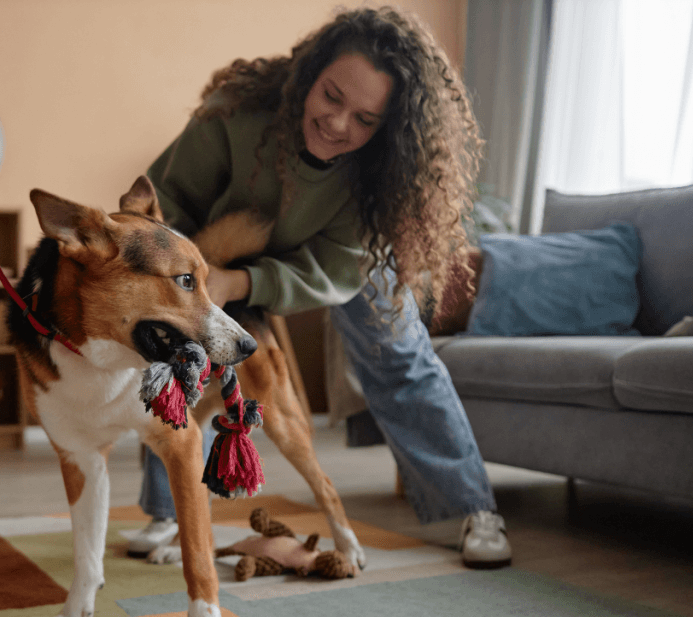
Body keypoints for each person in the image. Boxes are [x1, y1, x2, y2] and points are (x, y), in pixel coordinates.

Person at [128, 6, 512, 569]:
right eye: (332, 96)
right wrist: (198, 280)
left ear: (385, 129)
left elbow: (335, 268)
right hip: (219, 243)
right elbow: (164, 207)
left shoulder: (382, 173)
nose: (337, 124)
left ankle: (469, 507)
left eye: (365, 119)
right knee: (175, 345)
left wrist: (248, 281)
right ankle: (172, 510)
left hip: (342, 259)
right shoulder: (233, 114)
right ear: (309, 75)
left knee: (400, 356)